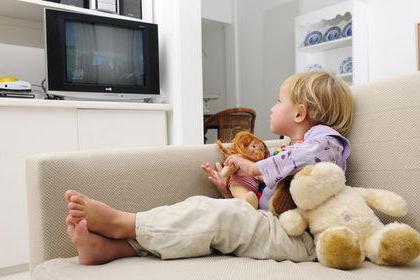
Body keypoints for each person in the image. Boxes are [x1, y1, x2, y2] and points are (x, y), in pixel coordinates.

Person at [65, 70, 353, 265]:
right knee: (203, 214)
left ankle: (122, 224)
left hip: (300, 239)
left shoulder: (325, 141)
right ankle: (114, 249)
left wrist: (254, 169)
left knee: (215, 216)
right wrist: (229, 190)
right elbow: (258, 205)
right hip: (276, 227)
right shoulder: (287, 150)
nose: (272, 107)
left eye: (279, 102)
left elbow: (315, 155)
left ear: (300, 112)